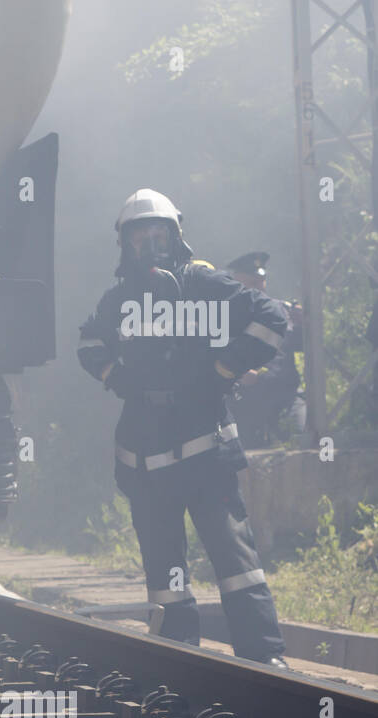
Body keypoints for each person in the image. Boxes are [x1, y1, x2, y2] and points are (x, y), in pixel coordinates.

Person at [76, 190, 288, 667]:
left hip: (206, 455)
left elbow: (271, 319)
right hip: (145, 460)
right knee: (165, 574)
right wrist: (118, 378)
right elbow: (89, 343)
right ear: (125, 246)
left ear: (175, 237)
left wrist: (225, 369)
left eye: (159, 233)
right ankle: (180, 664)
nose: (150, 244)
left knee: (236, 565)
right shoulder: (119, 299)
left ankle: (264, 661)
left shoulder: (202, 284)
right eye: (139, 236)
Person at [224, 251, 306, 447]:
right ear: (237, 282)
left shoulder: (282, 310)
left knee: (304, 439)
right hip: (246, 399)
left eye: (262, 281)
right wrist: (237, 371)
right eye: (252, 282)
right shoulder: (225, 314)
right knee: (247, 452)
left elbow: (302, 346)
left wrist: (303, 324)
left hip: (286, 395)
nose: (259, 287)